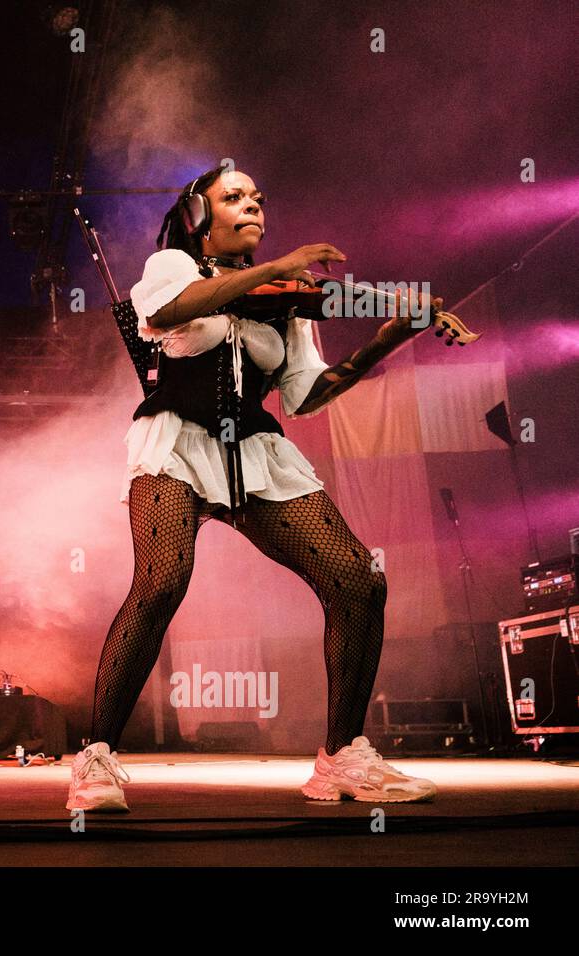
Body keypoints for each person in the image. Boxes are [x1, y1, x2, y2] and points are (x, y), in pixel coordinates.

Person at [67, 165, 439, 811]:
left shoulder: (285, 297)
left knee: (357, 578)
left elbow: (306, 392)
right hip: (177, 443)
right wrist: (279, 270)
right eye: (234, 197)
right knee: (160, 582)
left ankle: (342, 757)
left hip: (254, 451)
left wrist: (385, 340)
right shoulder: (170, 266)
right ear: (197, 218)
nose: (254, 208)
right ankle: (96, 760)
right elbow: (167, 312)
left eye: (259, 199)